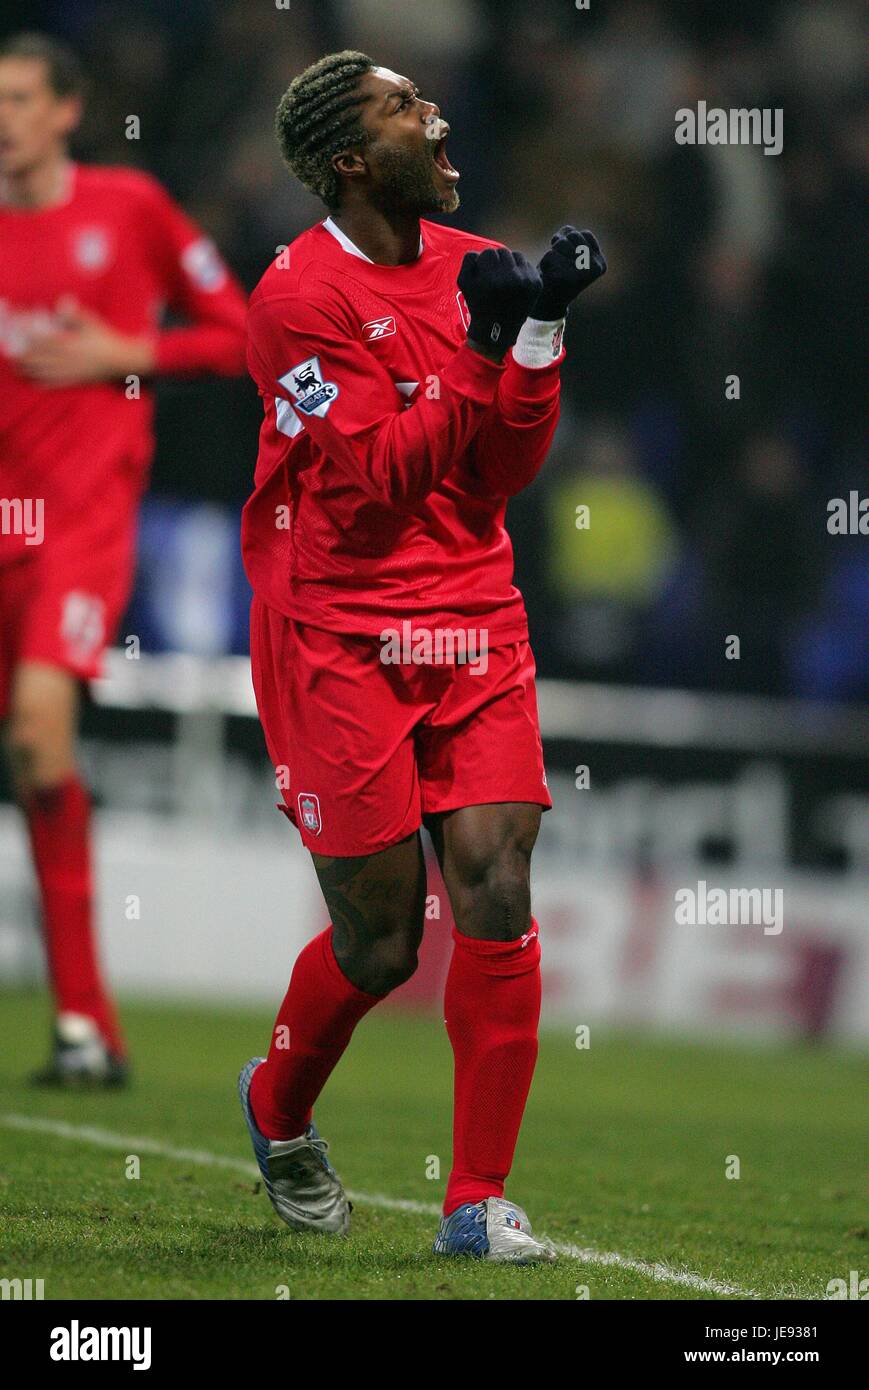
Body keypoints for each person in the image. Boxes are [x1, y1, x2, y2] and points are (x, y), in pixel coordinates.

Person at [239, 50, 605, 1262]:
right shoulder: (295, 300)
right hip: (337, 628)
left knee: (495, 881)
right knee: (381, 943)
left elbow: (499, 468)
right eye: (405, 107)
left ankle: (476, 1201)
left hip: (471, 616)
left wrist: (537, 332)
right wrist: (478, 348)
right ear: (351, 158)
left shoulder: (471, 268)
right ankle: (277, 1104)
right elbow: (380, 477)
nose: (435, 115)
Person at [0, 33, 248, 1085]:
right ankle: (85, 1031)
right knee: (33, 761)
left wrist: (127, 353)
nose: (2, 116)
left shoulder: (129, 209)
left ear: (67, 109)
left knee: (39, 731)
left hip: (81, 522)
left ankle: (85, 1023)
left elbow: (240, 334)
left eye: (18, 97)